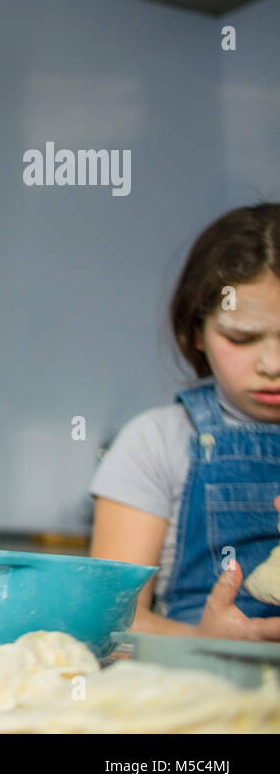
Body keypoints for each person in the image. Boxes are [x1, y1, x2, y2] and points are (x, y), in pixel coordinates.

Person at [89, 203, 280, 640]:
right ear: (196, 330)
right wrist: (203, 642)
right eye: (242, 337)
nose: (272, 364)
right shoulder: (156, 443)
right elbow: (112, 620)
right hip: (197, 688)